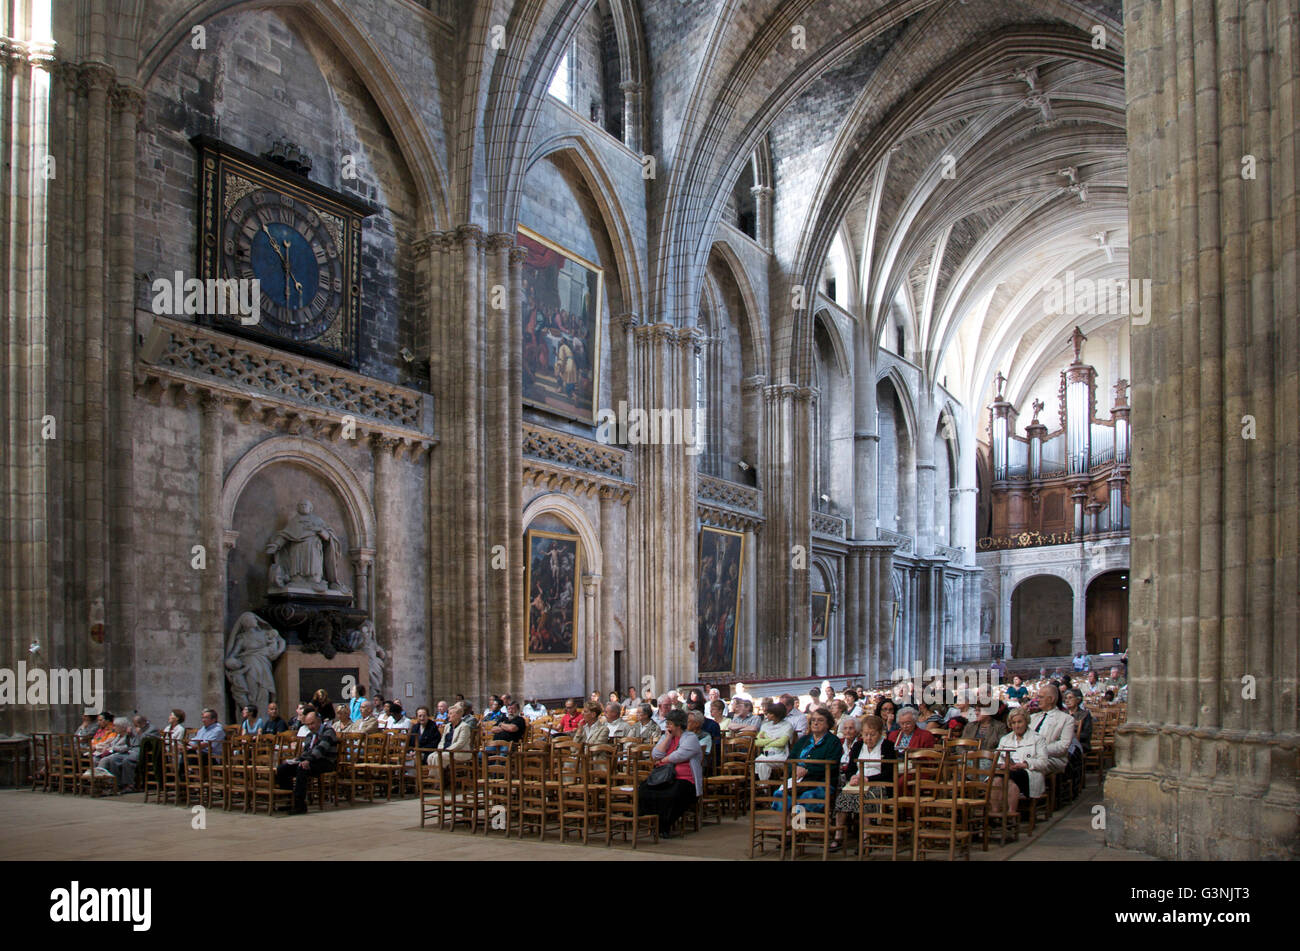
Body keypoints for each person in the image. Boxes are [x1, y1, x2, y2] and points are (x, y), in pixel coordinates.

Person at [831, 715, 896, 851]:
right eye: (865, 735)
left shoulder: (887, 746)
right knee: (843, 797)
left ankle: (866, 838)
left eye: (872, 735)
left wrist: (868, 779)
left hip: (878, 783)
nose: (868, 738)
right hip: (858, 782)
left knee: (864, 799)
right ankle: (838, 836)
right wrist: (853, 777)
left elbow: (889, 772)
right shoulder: (858, 745)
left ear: (880, 733)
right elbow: (850, 769)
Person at [638, 709, 704, 837]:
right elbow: (655, 754)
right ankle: (651, 819)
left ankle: (664, 825)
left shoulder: (690, 738)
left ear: (678, 725)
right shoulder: (665, 736)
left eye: (669, 724)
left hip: (685, 779)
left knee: (672, 794)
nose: (667, 726)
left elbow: (679, 756)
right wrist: (668, 738)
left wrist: (663, 760)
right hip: (664, 777)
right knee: (645, 788)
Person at [273, 705, 336, 814]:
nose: (310, 727)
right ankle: (289, 801)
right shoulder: (309, 735)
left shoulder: (328, 731)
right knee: (283, 768)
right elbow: (306, 752)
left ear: (319, 721)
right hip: (311, 760)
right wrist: (296, 760)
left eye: (312, 724)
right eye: (308, 725)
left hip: (325, 761)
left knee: (302, 769)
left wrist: (307, 761)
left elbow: (321, 750)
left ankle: (300, 805)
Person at [781, 707, 843, 812]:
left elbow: (832, 765)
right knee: (781, 795)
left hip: (821, 782)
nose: (815, 723)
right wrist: (796, 769)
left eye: (820, 720)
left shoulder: (833, 741)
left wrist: (807, 770)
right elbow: (790, 760)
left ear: (828, 724)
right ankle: (789, 827)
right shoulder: (803, 740)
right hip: (797, 781)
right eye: (813, 720)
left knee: (806, 797)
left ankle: (799, 827)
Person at [995, 707, 1050, 812]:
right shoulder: (1005, 739)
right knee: (996, 780)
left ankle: (1011, 814)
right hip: (1008, 770)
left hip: (1028, 772)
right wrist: (1002, 765)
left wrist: (1025, 764)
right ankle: (995, 813)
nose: (1016, 725)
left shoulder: (1037, 739)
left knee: (1010, 779)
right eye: (1013, 723)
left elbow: (1043, 762)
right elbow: (998, 758)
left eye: (1019, 722)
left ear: (1026, 721)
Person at [102, 715, 159, 792]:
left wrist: (140, 733)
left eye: (136, 724)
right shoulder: (136, 728)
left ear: (142, 723)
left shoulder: (152, 729)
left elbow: (148, 743)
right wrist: (130, 735)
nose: (135, 726)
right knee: (114, 759)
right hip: (131, 749)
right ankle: (117, 784)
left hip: (143, 751)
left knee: (127, 760)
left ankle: (129, 785)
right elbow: (129, 743)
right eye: (134, 724)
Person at [1028, 684, 1075, 775]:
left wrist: (1039, 750)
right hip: (1028, 755)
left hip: (1052, 759)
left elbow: (1063, 746)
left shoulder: (1066, 719)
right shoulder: (1032, 717)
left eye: (1041, 697)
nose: (1038, 700)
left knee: (1027, 770)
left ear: (1051, 699)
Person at [754, 701, 796, 780]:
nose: (767, 716)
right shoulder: (765, 725)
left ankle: (763, 787)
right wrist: (772, 739)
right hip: (765, 754)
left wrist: (766, 741)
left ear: (776, 714)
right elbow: (757, 742)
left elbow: (781, 742)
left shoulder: (787, 726)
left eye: (770, 713)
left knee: (762, 762)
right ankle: (763, 787)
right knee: (760, 761)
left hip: (780, 755)